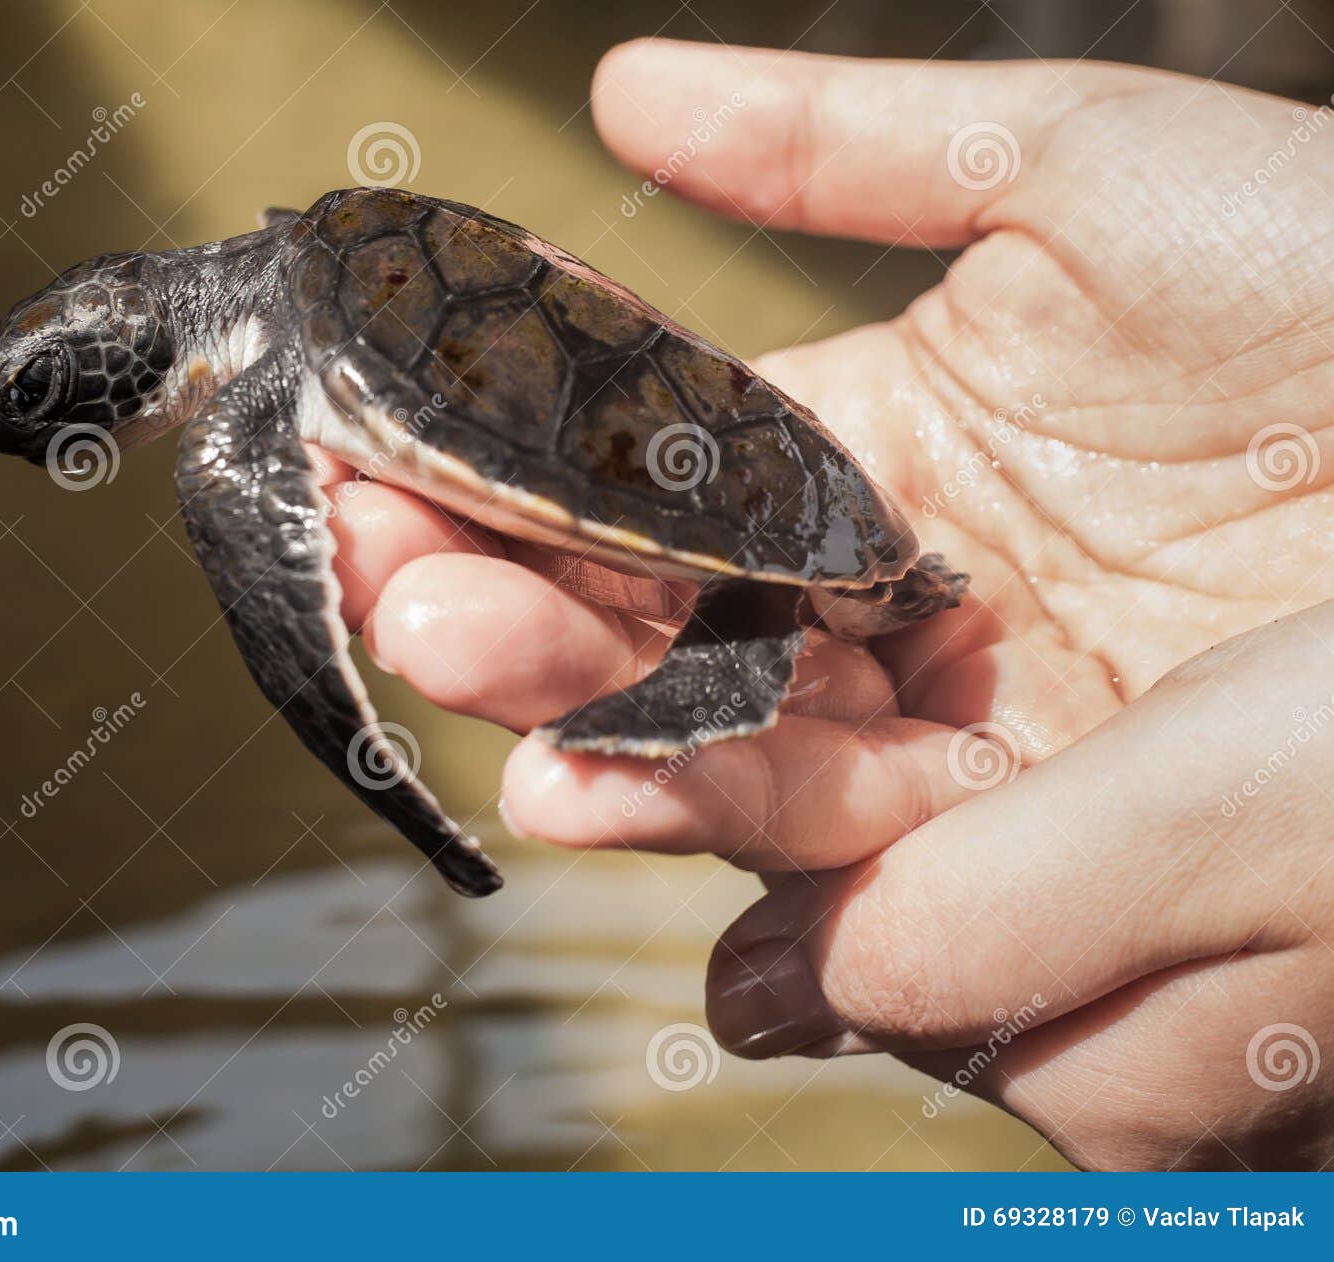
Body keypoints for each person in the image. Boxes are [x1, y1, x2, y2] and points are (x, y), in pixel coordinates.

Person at [316, 39, 1334, 1169]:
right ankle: (802, 619)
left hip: (786, 537)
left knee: (751, 603)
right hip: (811, 521)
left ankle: (761, 648)